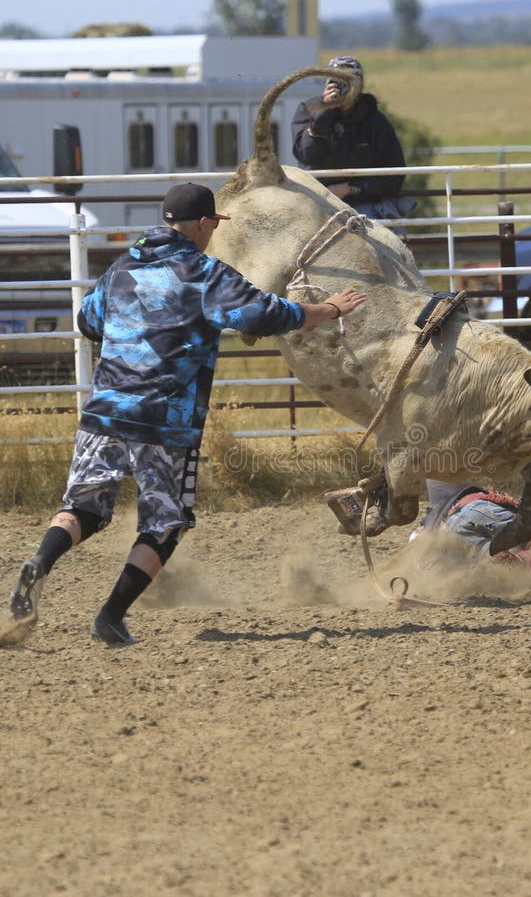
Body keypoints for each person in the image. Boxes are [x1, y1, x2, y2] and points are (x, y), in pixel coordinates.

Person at [2, 182, 365, 648]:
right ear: (203, 224)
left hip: (106, 411)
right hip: (165, 421)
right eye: (213, 224)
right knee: (166, 522)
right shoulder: (205, 273)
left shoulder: (123, 265)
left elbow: (89, 321)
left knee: (81, 509)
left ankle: (39, 562)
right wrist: (326, 309)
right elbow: (261, 315)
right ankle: (110, 617)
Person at [291, 54, 415, 224]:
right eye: (336, 82)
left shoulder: (374, 120)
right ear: (327, 84)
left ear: (359, 87)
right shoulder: (309, 110)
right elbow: (305, 154)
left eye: (348, 82)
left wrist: (349, 189)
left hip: (363, 203)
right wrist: (324, 113)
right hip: (317, 200)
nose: (342, 88)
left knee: (366, 226)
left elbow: (394, 177)